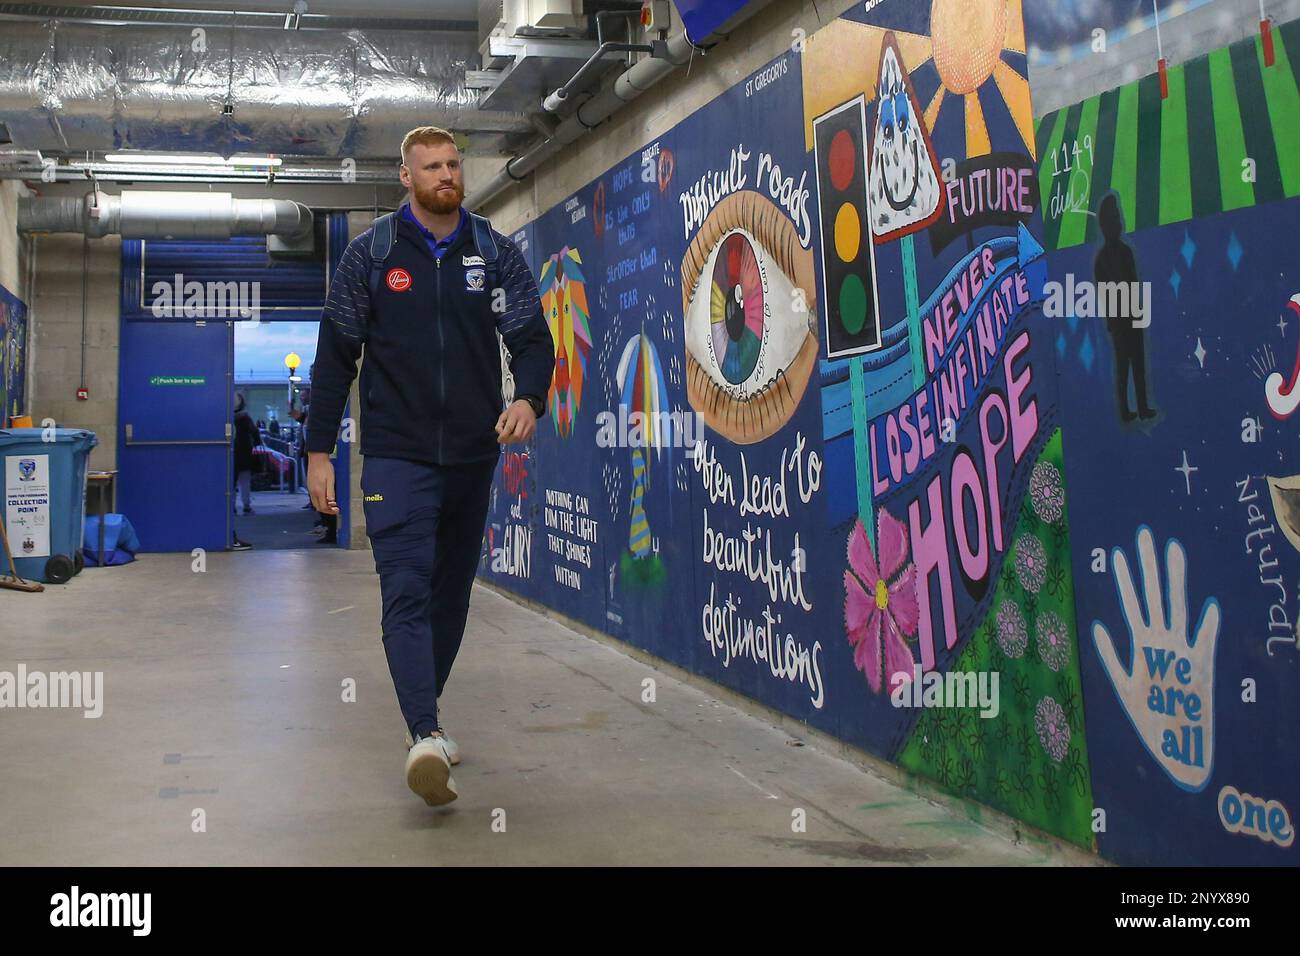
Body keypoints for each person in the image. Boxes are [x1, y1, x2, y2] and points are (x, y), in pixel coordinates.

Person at [306, 125, 553, 807]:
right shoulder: (372, 254)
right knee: (407, 589)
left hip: (473, 455)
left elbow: (532, 338)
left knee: (450, 595)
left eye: (453, 165)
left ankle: (427, 722)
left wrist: (529, 397)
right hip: (396, 455)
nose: (447, 175)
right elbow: (335, 357)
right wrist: (319, 451)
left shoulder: (492, 252)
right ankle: (424, 731)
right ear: (406, 176)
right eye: (433, 167)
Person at [1095, 193, 1156, 422]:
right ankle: (1125, 410)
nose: (1117, 223)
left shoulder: (1126, 252)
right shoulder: (1101, 260)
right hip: (1119, 322)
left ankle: (1142, 407)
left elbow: (1133, 283)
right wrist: (1112, 322)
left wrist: (1137, 313)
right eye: (1113, 219)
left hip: (1132, 317)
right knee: (1123, 368)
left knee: (1138, 364)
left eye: (1117, 218)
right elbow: (1104, 293)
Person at [233, 392, 260, 515]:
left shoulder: (226, 417)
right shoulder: (245, 418)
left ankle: (231, 506)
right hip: (244, 453)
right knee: (244, 482)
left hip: (231, 454)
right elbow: (255, 434)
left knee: (231, 482)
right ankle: (246, 506)